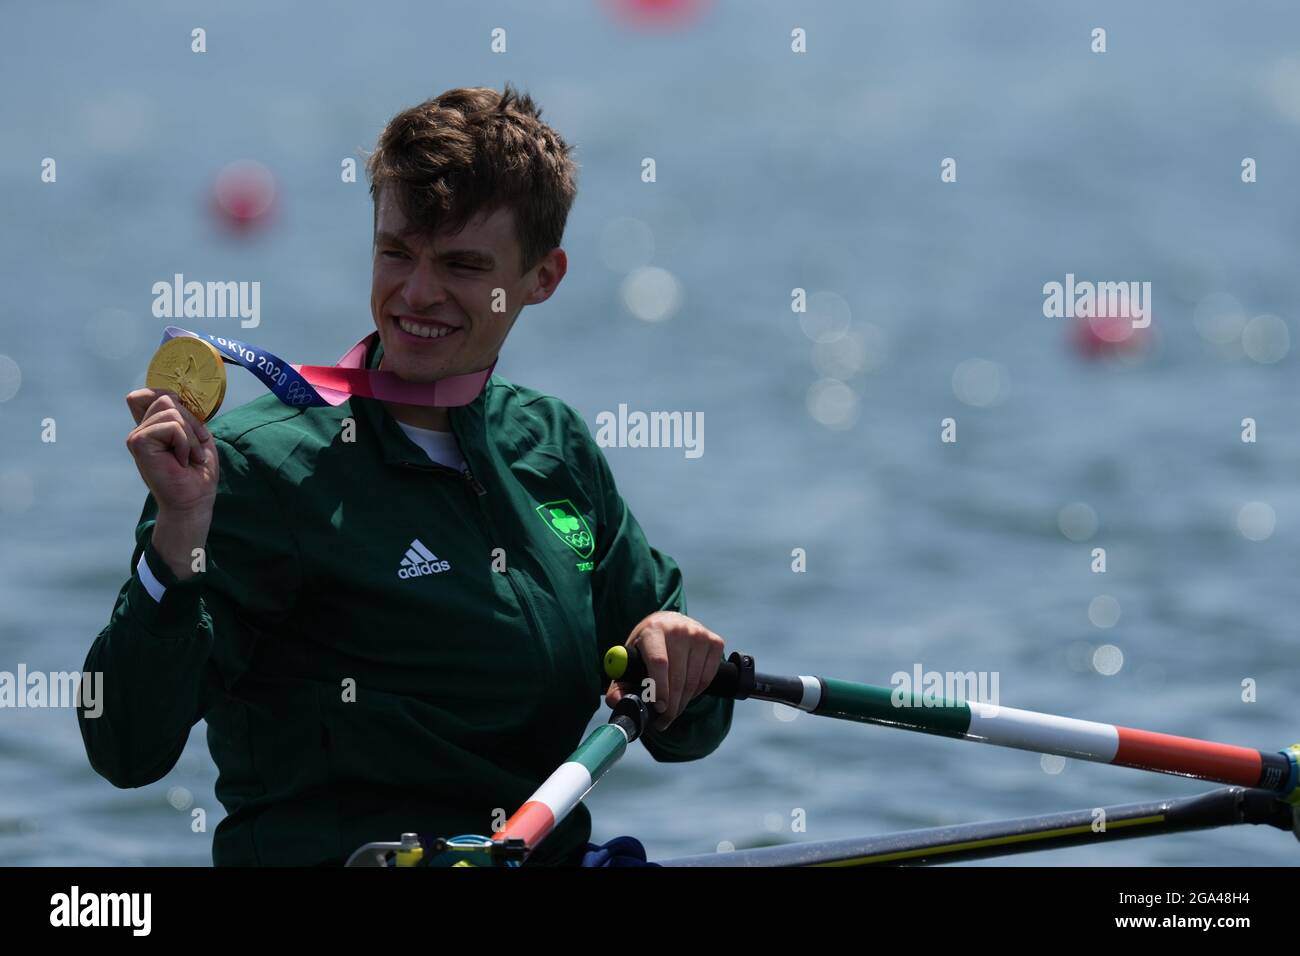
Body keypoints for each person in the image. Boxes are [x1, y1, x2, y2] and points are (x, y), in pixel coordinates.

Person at [79, 84, 733, 866]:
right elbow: (124, 750)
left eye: (460, 265)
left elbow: (691, 732)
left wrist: (673, 655)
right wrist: (177, 536)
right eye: (396, 253)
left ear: (543, 276)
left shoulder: (553, 445)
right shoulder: (256, 470)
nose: (416, 294)